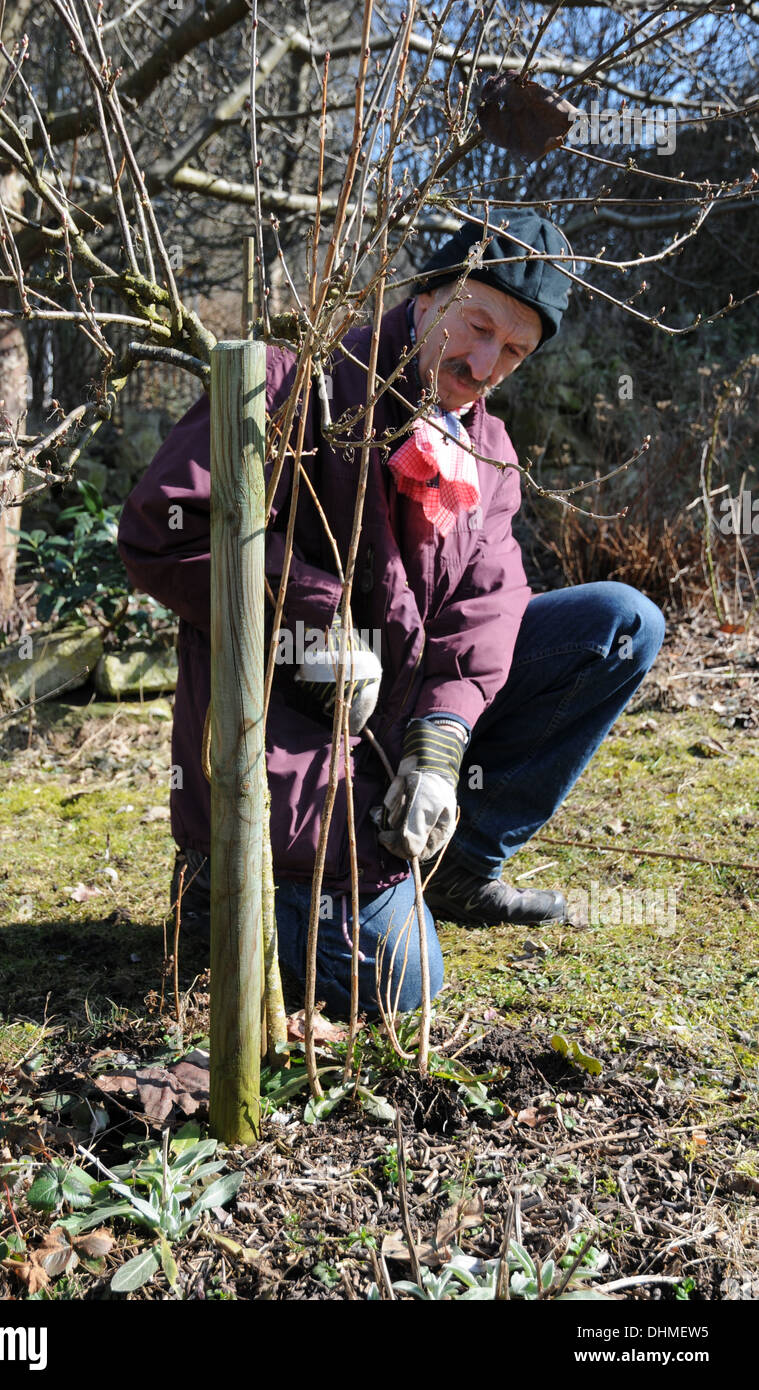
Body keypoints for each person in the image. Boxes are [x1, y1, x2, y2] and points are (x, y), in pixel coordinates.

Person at [117, 209, 665, 1019]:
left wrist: (441, 747)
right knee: (402, 988)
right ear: (427, 297)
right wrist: (314, 620)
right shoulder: (285, 386)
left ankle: (459, 864)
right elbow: (161, 531)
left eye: (513, 352)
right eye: (476, 327)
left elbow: (487, 606)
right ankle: (218, 884)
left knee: (618, 624)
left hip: (401, 714)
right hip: (291, 729)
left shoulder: (488, 448)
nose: (485, 366)